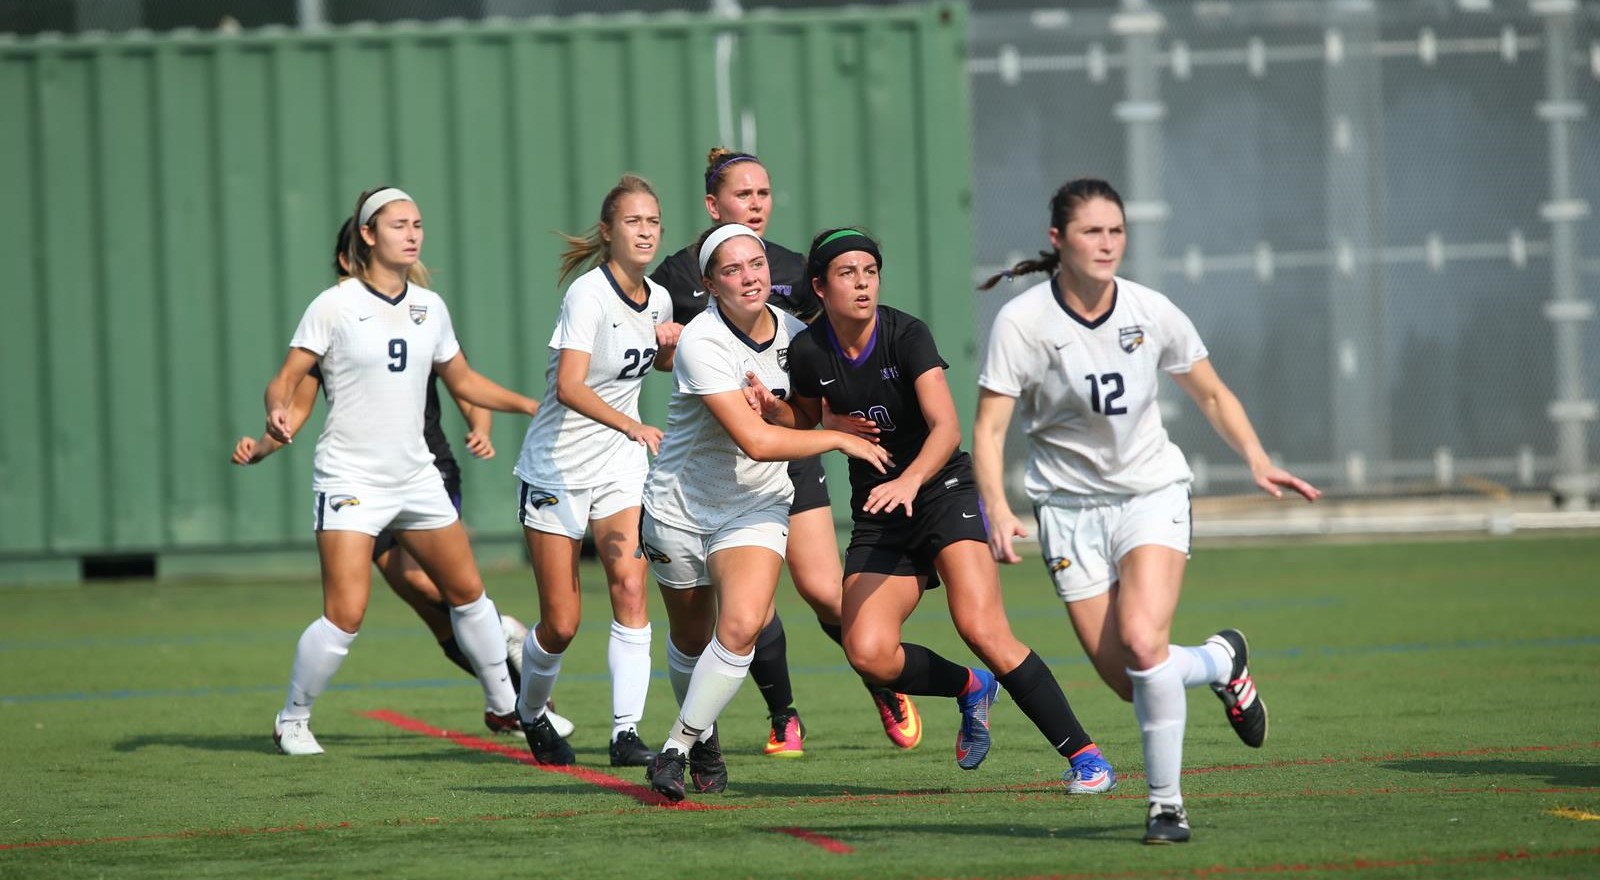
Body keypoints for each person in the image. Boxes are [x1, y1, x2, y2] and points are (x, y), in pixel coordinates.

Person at [973, 178, 1321, 844]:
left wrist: (1256, 455)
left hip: (1150, 495)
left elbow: (1212, 394)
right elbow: (989, 430)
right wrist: (995, 503)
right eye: (1091, 232)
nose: (1108, 244)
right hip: (1068, 513)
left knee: (1141, 641)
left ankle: (1166, 806)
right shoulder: (1023, 323)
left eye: (1116, 231)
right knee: (1135, 681)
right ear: (1057, 240)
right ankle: (1222, 662)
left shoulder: (1151, 310)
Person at [761, 227, 1115, 791]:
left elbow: (947, 427)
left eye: (870, 272)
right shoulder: (807, 350)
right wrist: (777, 414)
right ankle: (970, 688)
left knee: (981, 626)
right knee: (868, 653)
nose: (862, 283)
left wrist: (910, 480)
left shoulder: (906, 334)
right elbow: (807, 423)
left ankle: (1086, 757)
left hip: (940, 489)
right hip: (881, 507)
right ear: (820, 287)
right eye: (847, 273)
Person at [232, 219, 574, 741]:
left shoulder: (426, 309)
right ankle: (294, 719)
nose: (413, 233)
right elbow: (287, 390)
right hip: (354, 480)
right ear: (361, 246)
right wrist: (264, 439)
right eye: (400, 224)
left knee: (465, 596)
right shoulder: (335, 309)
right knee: (358, 610)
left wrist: (510, 412)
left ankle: (508, 706)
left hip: (422, 472)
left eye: (418, 223)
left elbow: (463, 383)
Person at [651, 148, 921, 757]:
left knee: (826, 590)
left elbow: (829, 348)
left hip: (788, 443)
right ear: (713, 206)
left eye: (764, 195)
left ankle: (878, 677)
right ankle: (783, 715)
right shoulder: (676, 275)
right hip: (717, 466)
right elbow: (660, 350)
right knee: (750, 607)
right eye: (742, 196)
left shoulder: (796, 272)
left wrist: (837, 412)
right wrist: (665, 344)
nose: (755, 207)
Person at [510, 174, 680, 768]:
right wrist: (632, 424)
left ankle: (625, 733)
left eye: (653, 222)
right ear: (608, 232)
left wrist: (666, 350)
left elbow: (644, 366)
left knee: (631, 585)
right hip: (556, 469)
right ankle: (529, 713)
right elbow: (570, 386)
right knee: (561, 622)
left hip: (618, 468)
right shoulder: (588, 295)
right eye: (633, 222)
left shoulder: (658, 298)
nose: (645, 231)